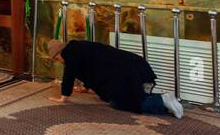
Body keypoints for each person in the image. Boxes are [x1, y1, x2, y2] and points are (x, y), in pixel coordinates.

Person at [47, 38, 184, 118]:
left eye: (57, 58)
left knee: (121, 102)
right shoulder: (78, 47)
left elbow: (69, 74)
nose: (60, 61)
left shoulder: (70, 54)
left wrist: (63, 97)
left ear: (59, 53)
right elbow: (90, 68)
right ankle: (164, 101)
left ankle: (162, 100)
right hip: (135, 65)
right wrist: (85, 87)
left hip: (126, 73)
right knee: (132, 96)